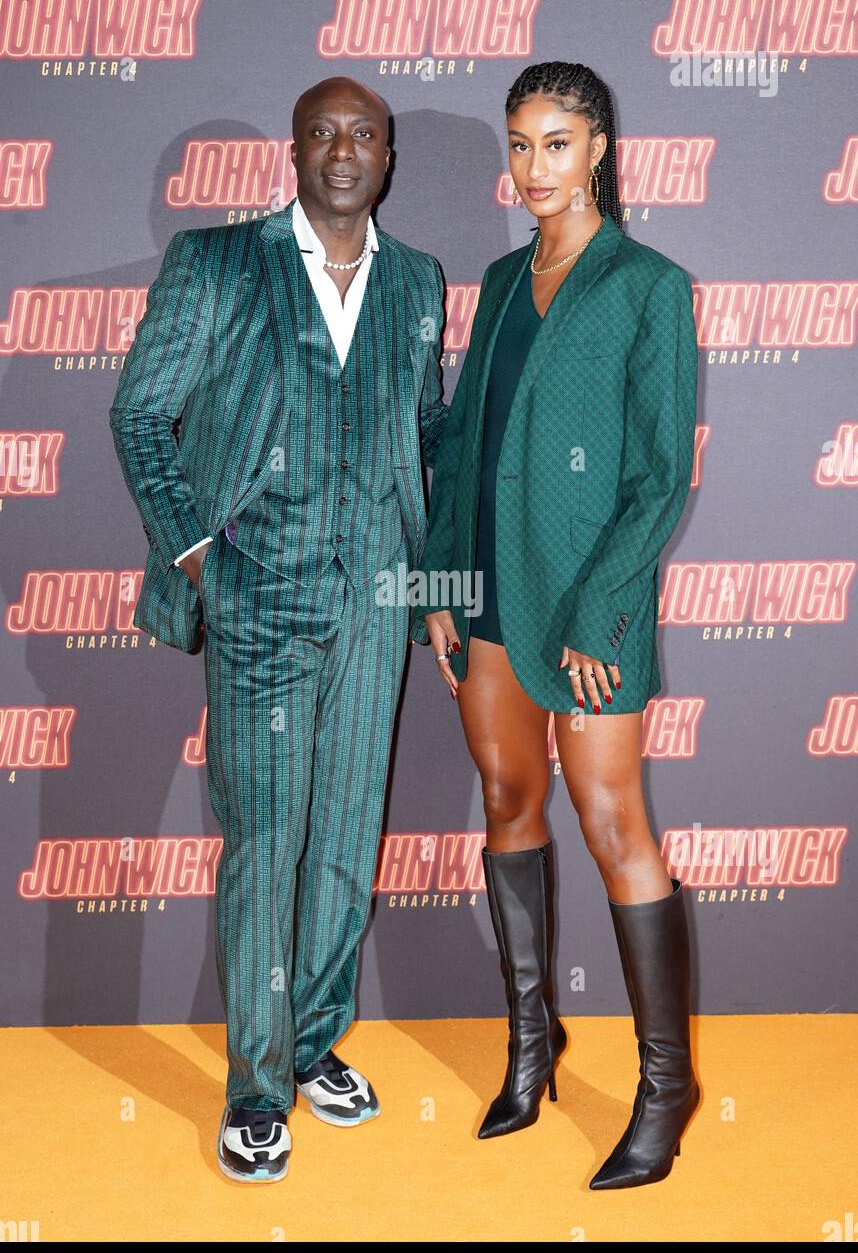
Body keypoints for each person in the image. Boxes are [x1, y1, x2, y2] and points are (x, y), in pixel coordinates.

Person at [109, 76, 447, 1182]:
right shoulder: (215, 263)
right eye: (323, 134)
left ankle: (310, 1043)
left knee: (348, 841)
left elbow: (419, 433)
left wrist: (437, 580)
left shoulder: (418, 281)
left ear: (387, 158)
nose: (344, 151)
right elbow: (139, 412)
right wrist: (194, 551)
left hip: (376, 600)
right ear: (295, 154)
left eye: (364, 135)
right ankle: (256, 1091)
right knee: (267, 843)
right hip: (256, 596)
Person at [410, 61, 701, 1189]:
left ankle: (667, 1082)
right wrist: (438, 581)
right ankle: (534, 1045)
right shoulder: (495, 276)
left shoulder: (648, 285)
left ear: (601, 149)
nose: (535, 169)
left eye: (558, 144)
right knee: (505, 799)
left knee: (613, 819)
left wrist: (599, 610)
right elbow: (468, 446)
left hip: (595, 605)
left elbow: (661, 473)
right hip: (486, 585)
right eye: (521, 145)